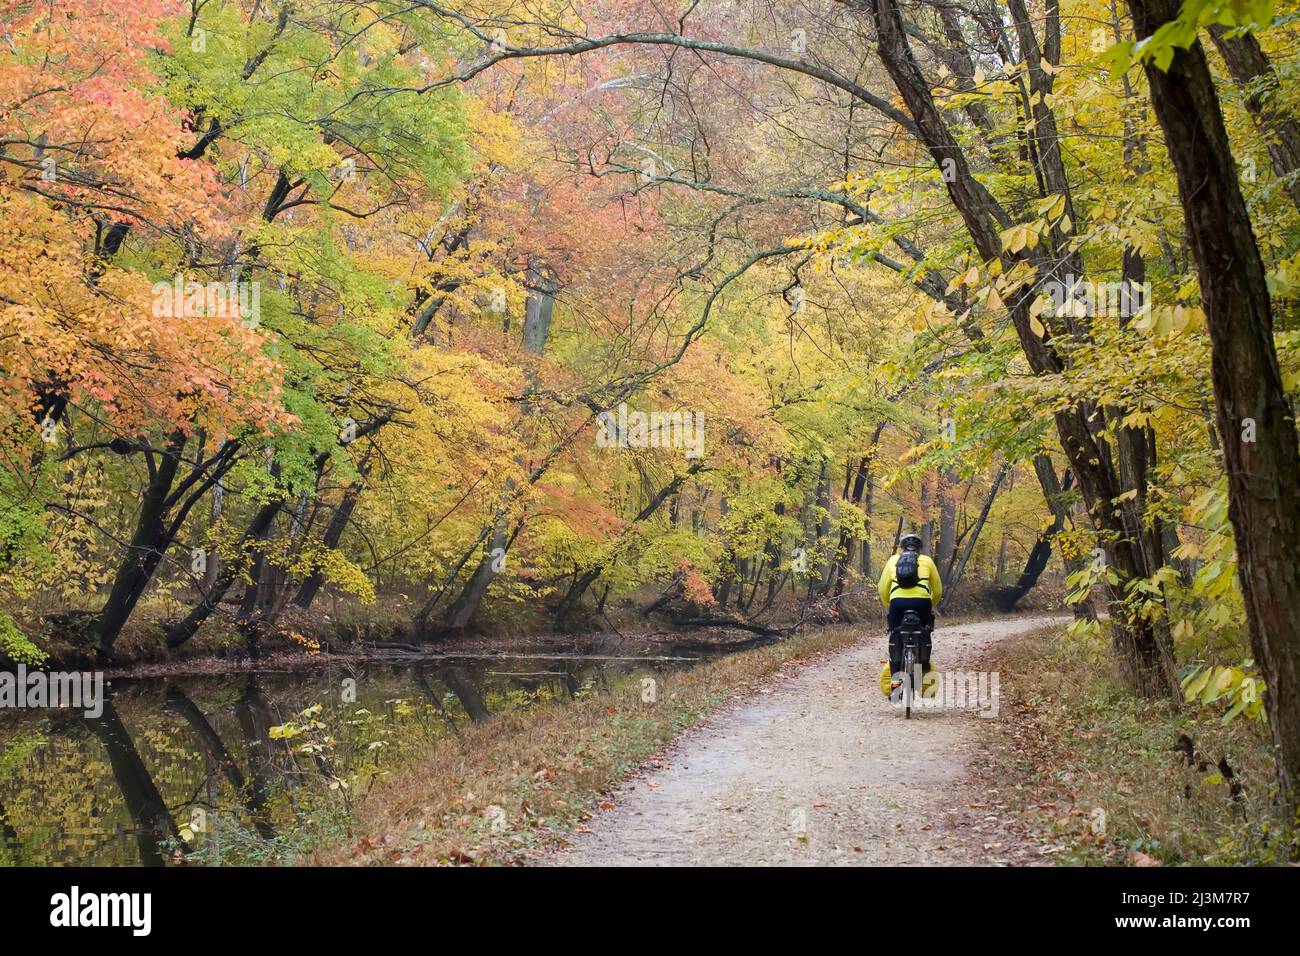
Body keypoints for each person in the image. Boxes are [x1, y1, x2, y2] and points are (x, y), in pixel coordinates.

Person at [877, 532, 942, 695]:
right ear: (919, 549)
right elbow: (938, 589)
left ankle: (895, 687)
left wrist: (889, 604)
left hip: (897, 603)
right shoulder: (927, 561)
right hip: (922, 603)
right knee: (925, 631)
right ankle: (923, 666)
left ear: (902, 547)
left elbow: (882, 588)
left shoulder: (893, 560)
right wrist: (930, 604)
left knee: (894, 635)